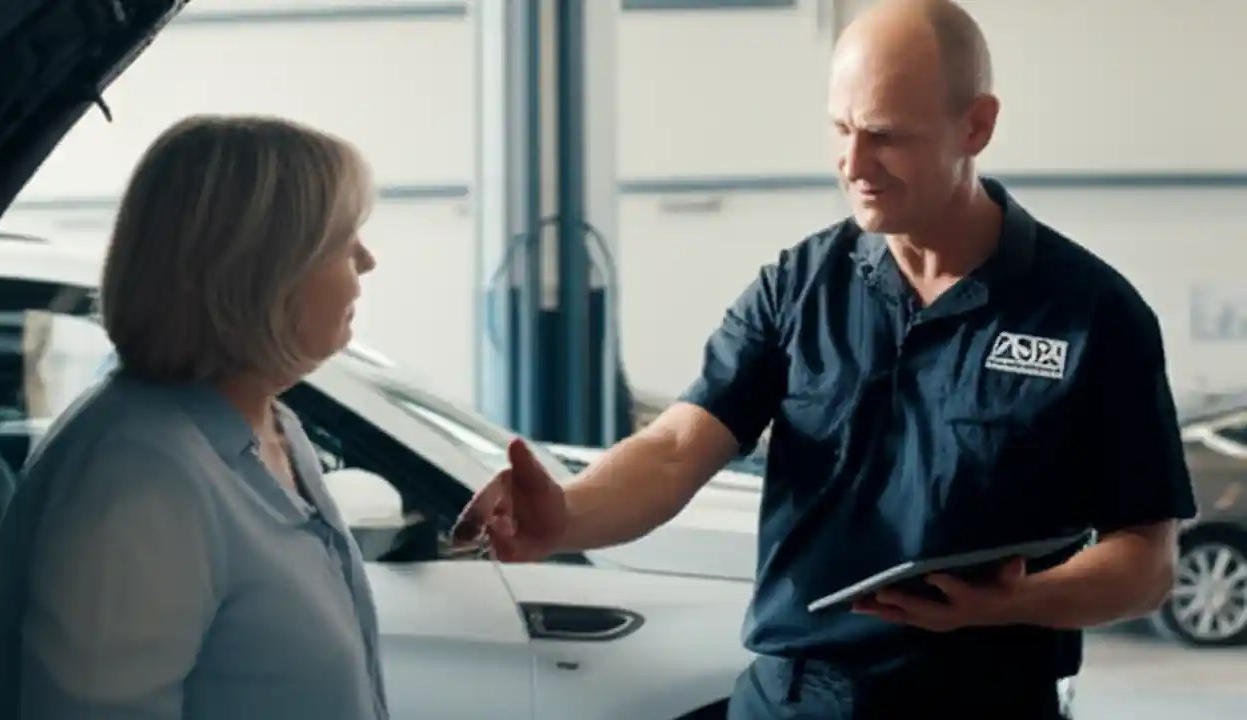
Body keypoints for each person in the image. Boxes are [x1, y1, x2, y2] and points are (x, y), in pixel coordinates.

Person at [453, 0, 1197, 717]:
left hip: (984, 700)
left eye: (886, 135)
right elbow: (676, 449)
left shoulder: (1092, 315)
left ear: (976, 125)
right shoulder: (797, 288)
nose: (853, 163)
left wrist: (1018, 601)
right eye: (840, 128)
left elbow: (1146, 562)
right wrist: (569, 515)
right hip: (796, 700)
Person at [0, 114, 386, 719]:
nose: (367, 261)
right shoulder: (140, 474)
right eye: (344, 240)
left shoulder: (270, 426)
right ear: (265, 271)